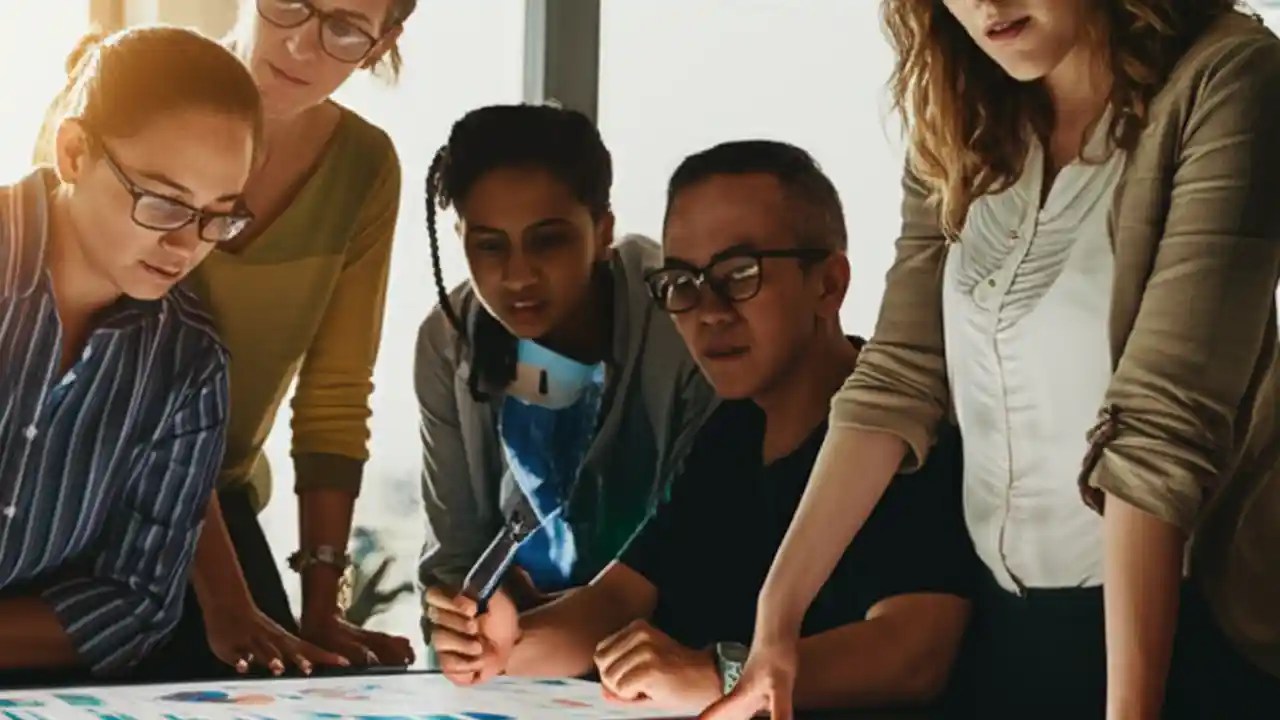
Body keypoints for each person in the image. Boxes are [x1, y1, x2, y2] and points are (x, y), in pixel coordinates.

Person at [706, 3, 1280, 719]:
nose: (986, 3)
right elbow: (897, 375)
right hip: (1002, 636)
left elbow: (1162, 424)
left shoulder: (1228, 76)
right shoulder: (961, 108)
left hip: (1183, 642)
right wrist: (776, 625)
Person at [422, 141, 976, 714]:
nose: (708, 311)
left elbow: (916, 652)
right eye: (682, 283)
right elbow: (614, 601)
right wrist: (506, 646)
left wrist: (721, 673)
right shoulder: (730, 434)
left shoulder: (900, 435)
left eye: (740, 275)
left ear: (828, 284)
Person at [133, 0, 419, 679]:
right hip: (93, 486)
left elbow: (336, 394)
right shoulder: (139, 91)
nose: (300, 46)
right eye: (290, 4)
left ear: (383, 43)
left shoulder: (365, 168)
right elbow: (127, 372)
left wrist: (321, 606)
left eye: (345, 28)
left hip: (222, 498)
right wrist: (226, 602)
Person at [0, 26, 260, 681]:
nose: (185, 246)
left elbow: (136, 602)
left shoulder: (188, 364)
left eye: (216, 217)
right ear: (74, 151)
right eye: (164, 203)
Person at [416, 104, 717, 622]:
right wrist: (467, 618)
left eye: (548, 240)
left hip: (667, 642)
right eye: (489, 246)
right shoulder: (449, 340)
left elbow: (705, 537)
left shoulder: (678, 320)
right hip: (514, 659)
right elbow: (454, 557)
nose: (517, 276)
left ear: (602, 231)